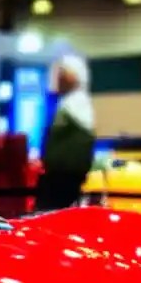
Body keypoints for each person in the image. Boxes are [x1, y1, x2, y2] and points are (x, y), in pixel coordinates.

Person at [35, 55, 95, 211]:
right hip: (57, 177)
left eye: (63, 74)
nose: (59, 79)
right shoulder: (65, 103)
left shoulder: (76, 105)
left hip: (63, 180)